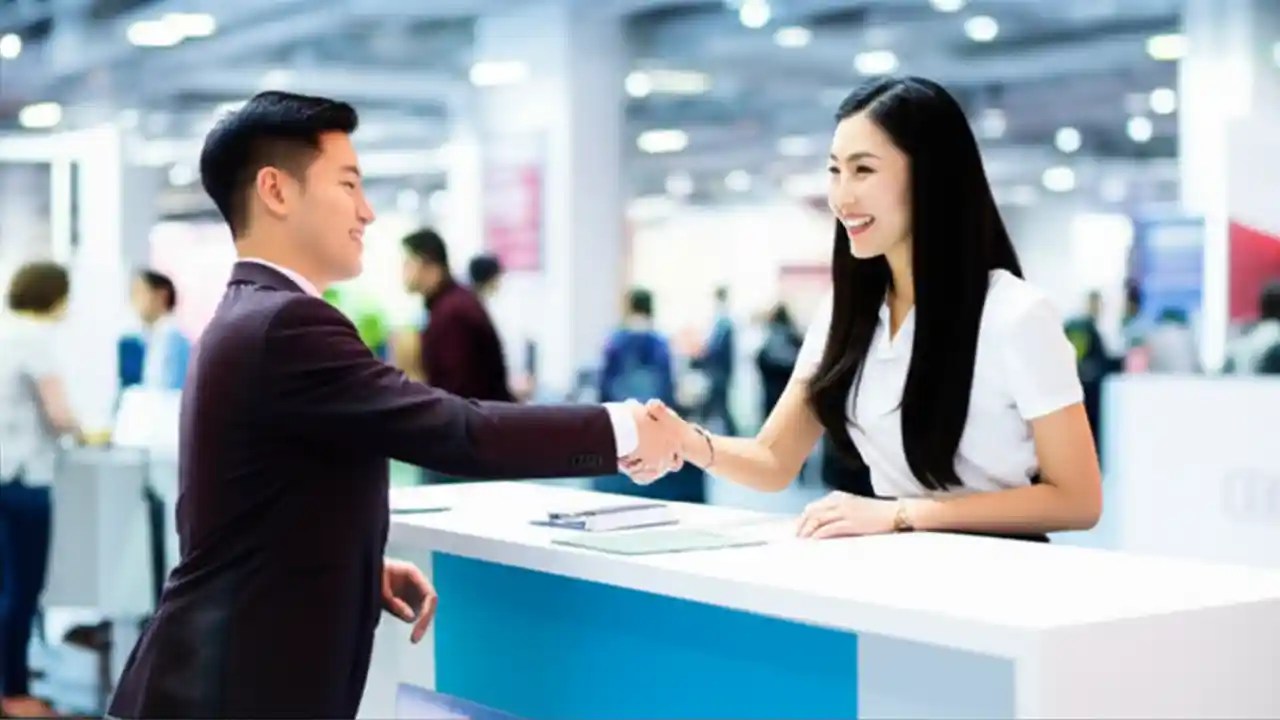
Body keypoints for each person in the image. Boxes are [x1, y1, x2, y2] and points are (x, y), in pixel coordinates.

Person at [106, 90, 681, 719]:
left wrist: (352, 563)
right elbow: (460, 430)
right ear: (276, 190)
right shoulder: (286, 323)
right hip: (229, 689)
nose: (367, 212)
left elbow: (246, 506)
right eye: (348, 185)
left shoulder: (251, 313)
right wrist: (624, 428)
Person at [628, 76, 1102, 540]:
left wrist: (902, 514)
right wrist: (686, 440)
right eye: (835, 170)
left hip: (1000, 580)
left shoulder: (1014, 314)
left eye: (863, 170)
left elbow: (1077, 499)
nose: (841, 197)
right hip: (892, 575)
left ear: (929, 177)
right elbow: (774, 460)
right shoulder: (845, 311)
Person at [0, 262, 84, 718]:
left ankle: (10, 685)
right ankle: (15, 693)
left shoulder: (5, 336)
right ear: (53, 296)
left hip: (3, 476)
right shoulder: (38, 342)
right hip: (28, 480)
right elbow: (59, 415)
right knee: (23, 589)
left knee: (5, 590)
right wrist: (83, 429)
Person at [402, 229, 513, 403]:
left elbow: (455, 394)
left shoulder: (452, 313)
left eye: (407, 263)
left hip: (476, 426)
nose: (402, 271)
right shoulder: (450, 304)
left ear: (428, 264)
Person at [129, 269, 192, 391]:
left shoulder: (170, 336)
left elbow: (164, 392)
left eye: (139, 292)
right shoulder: (156, 335)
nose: (134, 301)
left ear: (161, 295)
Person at [689, 286, 739, 435]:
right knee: (718, 409)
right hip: (720, 373)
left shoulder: (723, 323)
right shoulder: (723, 322)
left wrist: (699, 355)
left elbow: (714, 349)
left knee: (718, 409)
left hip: (718, 374)